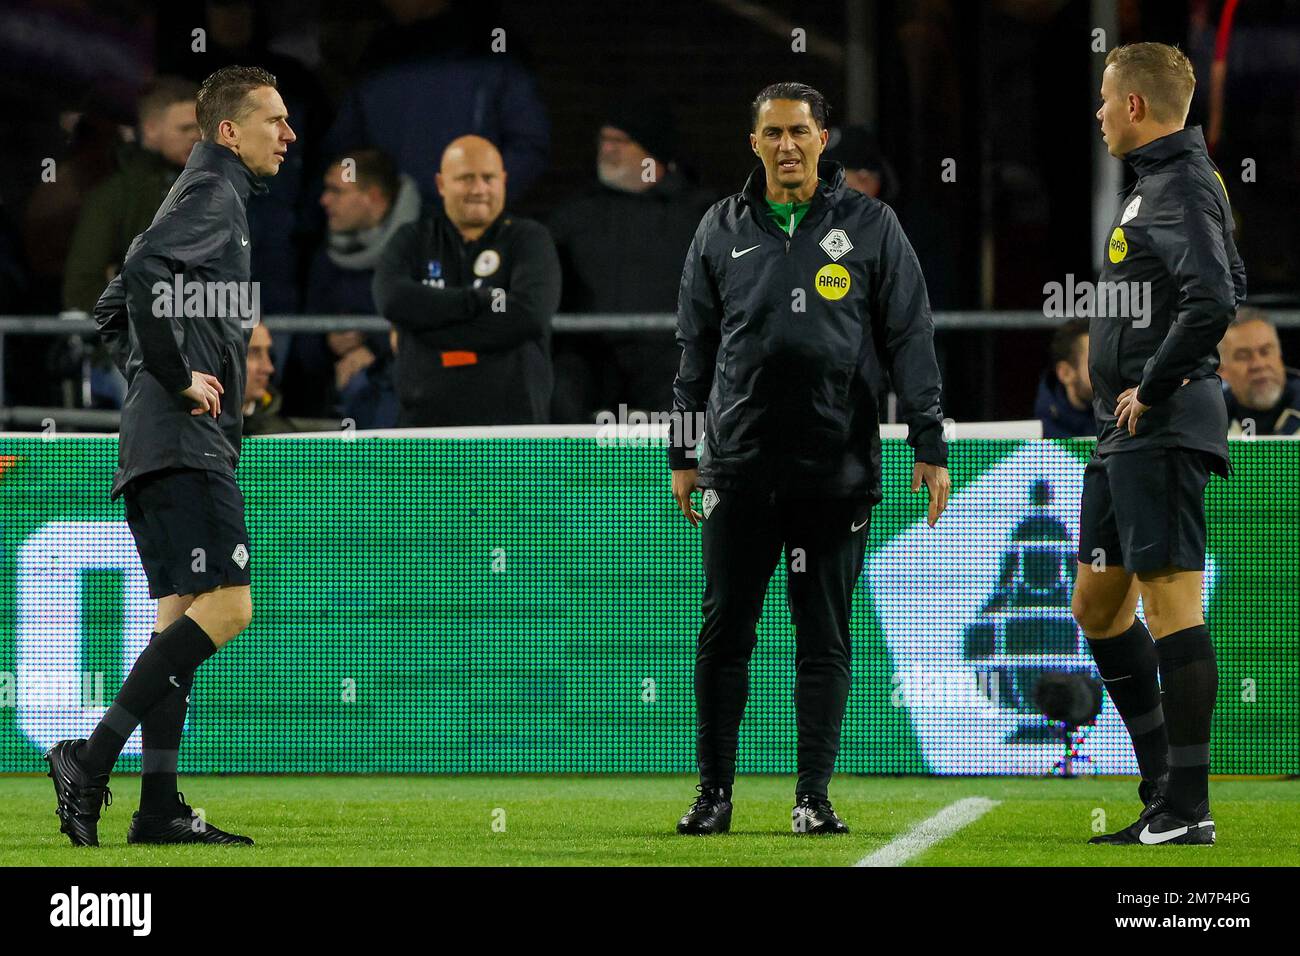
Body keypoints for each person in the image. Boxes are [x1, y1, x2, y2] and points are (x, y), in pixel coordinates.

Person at [669, 83, 950, 836]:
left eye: (800, 131)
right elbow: (694, 350)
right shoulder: (718, 229)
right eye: (773, 133)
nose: (787, 145)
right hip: (738, 467)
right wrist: (680, 449)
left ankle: (813, 796)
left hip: (835, 471)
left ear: (823, 140)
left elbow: (910, 338)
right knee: (725, 632)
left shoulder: (871, 225)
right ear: (753, 143)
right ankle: (713, 794)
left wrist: (930, 441)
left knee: (823, 637)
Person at [46, 65, 296, 847]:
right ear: (229, 131)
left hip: (158, 443)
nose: (288, 136)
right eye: (274, 122)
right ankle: (88, 759)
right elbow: (145, 277)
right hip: (186, 445)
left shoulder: (198, 191)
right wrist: (178, 379)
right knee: (231, 606)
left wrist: (159, 380)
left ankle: (158, 806)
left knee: (178, 621)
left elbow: (112, 305)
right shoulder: (215, 194)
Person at [1074, 43, 1245, 847]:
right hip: (1122, 432)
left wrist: (1156, 381)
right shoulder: (1168, 185)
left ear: (1135, 107)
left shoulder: (1175, 184)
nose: (1100, 112)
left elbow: (1214, 297)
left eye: (1107, 99)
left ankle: (1190, 807)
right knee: (1099, 606)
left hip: (1159, 424)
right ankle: (1160, 789)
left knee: (1171, 599)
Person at [372, 135, 560, 426]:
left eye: (489, 178)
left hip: (513, 430)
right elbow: (394, 300)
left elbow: (529, 314)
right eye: (466, 178)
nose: (479, 189)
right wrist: (481, 301)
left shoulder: (529, 239)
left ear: (504, 180)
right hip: (424, 429)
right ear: (441, 184)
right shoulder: (413, 239)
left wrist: (422, 330)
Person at [547, 98, 715, 422]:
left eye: (619, 141)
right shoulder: (575, 215)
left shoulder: (698, 215)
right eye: (604, 140)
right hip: (592, 356)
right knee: (560, 390)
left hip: (669, 355)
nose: (607, 149)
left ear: (652, 151)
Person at [281, 149, 420, 419]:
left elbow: (432, 332)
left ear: (373, 198)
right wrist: (329, 343)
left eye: (337, 191)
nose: (323, 200)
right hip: (331, 398)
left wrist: (373, 353)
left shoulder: (424, 249)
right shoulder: (325, 257)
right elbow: (304, 346)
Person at [1219, 308, 1300, 436]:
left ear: (1279, 355)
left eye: (1265, 351)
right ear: (1221, 370)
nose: (1258, 364)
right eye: (1243, 356)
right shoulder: (1209, 423)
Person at [1035, 319, 1096, 438]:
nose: (1107, 371)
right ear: (1065, 373)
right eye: (1095, 363)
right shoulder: (1040, 437)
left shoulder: (1126, 419)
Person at [243, 323, 300, 435]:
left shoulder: (279, 435)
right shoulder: (201, 429)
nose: (268, 368)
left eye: (269, 353)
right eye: (254, 352)